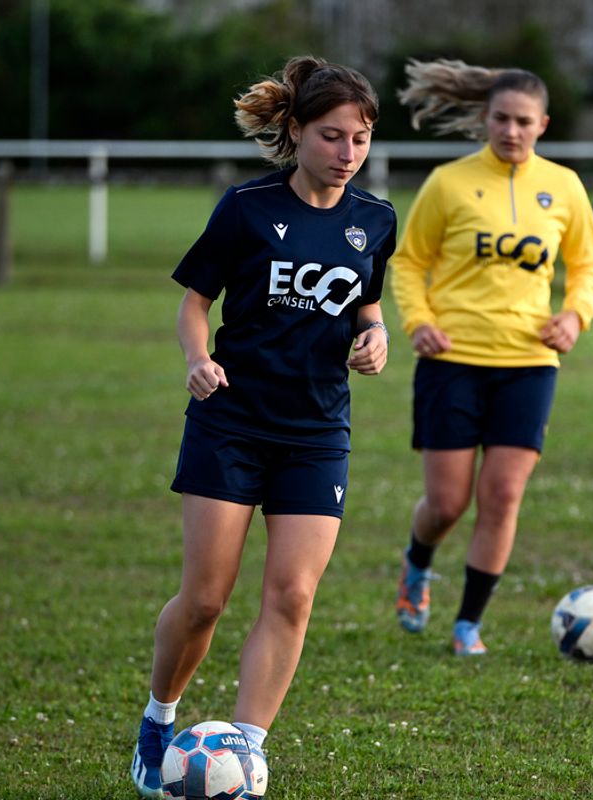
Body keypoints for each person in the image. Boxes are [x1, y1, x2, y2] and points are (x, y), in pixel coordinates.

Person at [129, 55, 395, 798]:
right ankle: (160, 716)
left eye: (361, 139)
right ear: (296, 131)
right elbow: (193, 301)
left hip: (317, 432)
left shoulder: (374, 220)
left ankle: (246, 751)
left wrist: (375, 337)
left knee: (293, 596)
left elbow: (365, 305)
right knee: (207, 598)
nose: (348, 154)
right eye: (333, 137)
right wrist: (197, 356)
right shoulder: (247, 207)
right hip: (231, 421)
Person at [389, 58, 593, 655]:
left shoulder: (563, 187)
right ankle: (418, 560)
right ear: (485, 118)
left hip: (529, 361)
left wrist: (574, 314)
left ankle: (468, 626)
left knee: (503, 494)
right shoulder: (448, 183)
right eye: (502, 119)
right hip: (452, 359)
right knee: (448, 503)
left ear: (544, 125)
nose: (512, 131)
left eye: (524, 122)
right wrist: (419, 321)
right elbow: (408, 261)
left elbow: (588, 261)